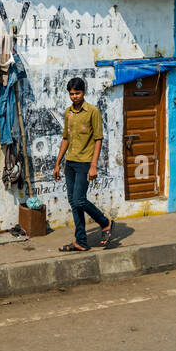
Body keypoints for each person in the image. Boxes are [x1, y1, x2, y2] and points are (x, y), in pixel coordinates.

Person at [52, 77, 116, 251]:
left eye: (77, 93)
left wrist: (94, 165)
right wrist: (58, 163)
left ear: (84, 92)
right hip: (70, 163)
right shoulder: (68, 113)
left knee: (80, 200)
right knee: (74, 202)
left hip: (85, 163)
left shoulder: (92, 112)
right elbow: (65, 138)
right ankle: (81, 241)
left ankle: (105, 223)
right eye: (71, 94)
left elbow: (98, 139)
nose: (74, 97)